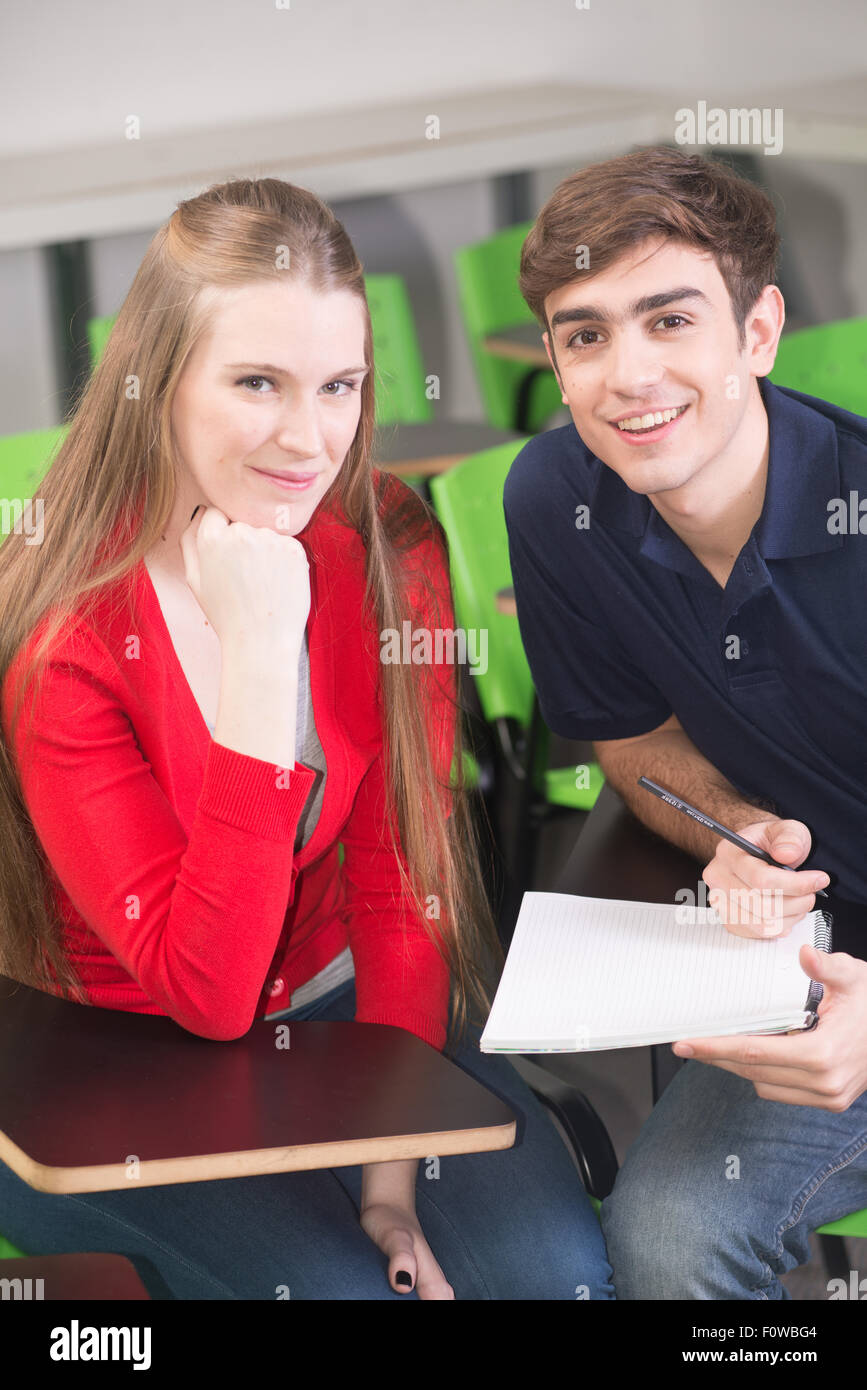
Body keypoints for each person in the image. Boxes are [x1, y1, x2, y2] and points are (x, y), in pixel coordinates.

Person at [0, 177, 612, 1301]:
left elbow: (399, 884)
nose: (308, 436)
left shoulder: (386, 545)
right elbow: (209, 992)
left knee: (553, 1274)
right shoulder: (67, 642)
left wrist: (389, 1181)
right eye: (256, 384)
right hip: (110, 1061)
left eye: (338, 385)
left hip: (340, 1009)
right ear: (157, 384)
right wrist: (261, 650)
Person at [504, 145, 867, 1299]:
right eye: (586, 333)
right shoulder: (557, 501)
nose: (627, 375)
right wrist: (738, 824)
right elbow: (629, 739)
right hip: (807, 953)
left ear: (757, 334)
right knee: (666, 1236)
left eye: (670, 319)